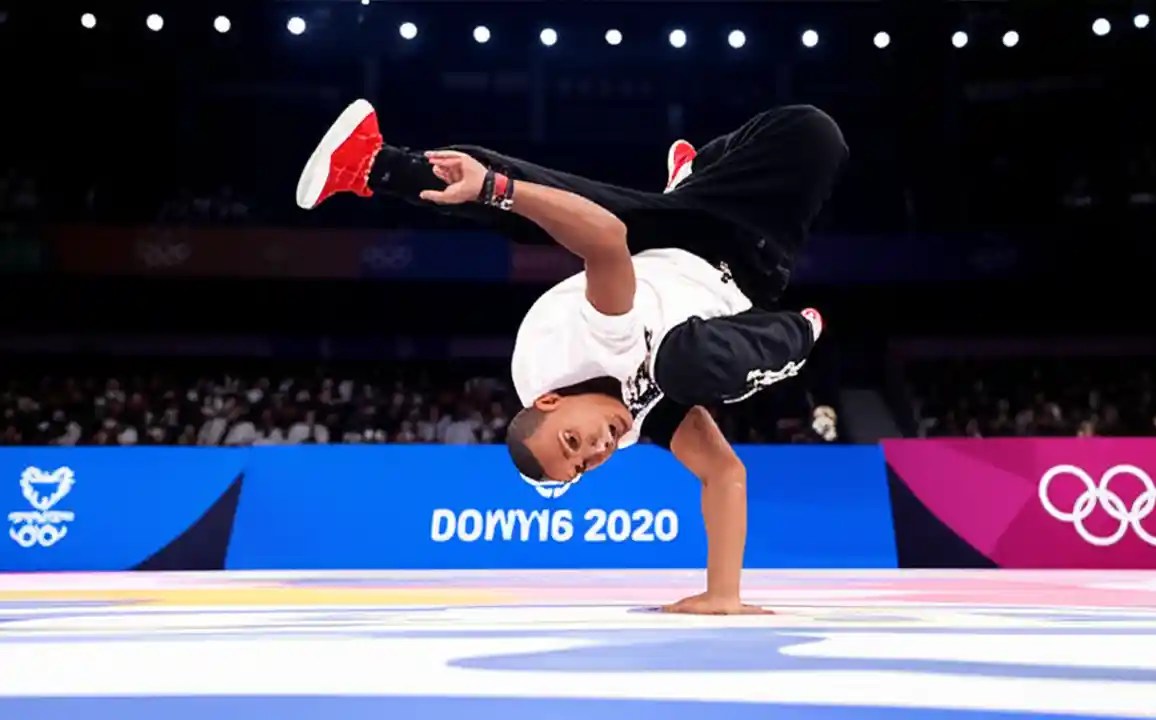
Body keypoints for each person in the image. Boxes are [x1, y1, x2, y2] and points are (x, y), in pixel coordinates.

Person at [297, 99, 847, 614]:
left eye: (572, 441)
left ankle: (373, 164)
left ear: (551, 399)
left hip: (666, 235)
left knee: (515, 192)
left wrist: (495, 186)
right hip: (752, 261)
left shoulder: (580, 345)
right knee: (818, 135)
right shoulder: (638, 416)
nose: (599, 446)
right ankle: (696, 178)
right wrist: (722, 594)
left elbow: (604, 238)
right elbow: (724, 473)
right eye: (586, 463)